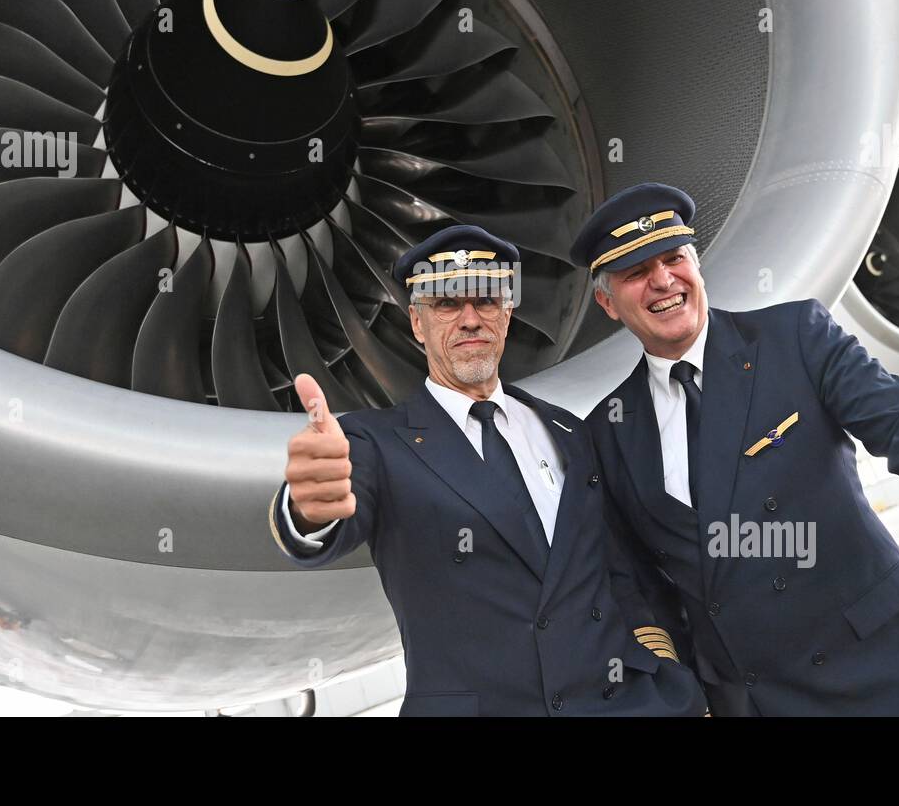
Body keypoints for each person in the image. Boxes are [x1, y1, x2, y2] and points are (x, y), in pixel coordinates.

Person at [570, 183, 899, 716]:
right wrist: (679, 691)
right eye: (636, 272)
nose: (663, 280)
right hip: (755, 700)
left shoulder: (794, 335)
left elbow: (898, 413)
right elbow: (637, 584)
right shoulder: (606, 431)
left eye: (673, 257)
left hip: (880, 673)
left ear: (696, 265)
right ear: (607, 302)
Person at [270, 224, 707, 716]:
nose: (470, 320)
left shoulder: (569, 432)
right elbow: (332, 512)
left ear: (508, 312)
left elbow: (619, 573)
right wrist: (310, 510)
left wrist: (670, 682)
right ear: (417, 322)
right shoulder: (377, 443)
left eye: (486, 301)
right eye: (447, 305)